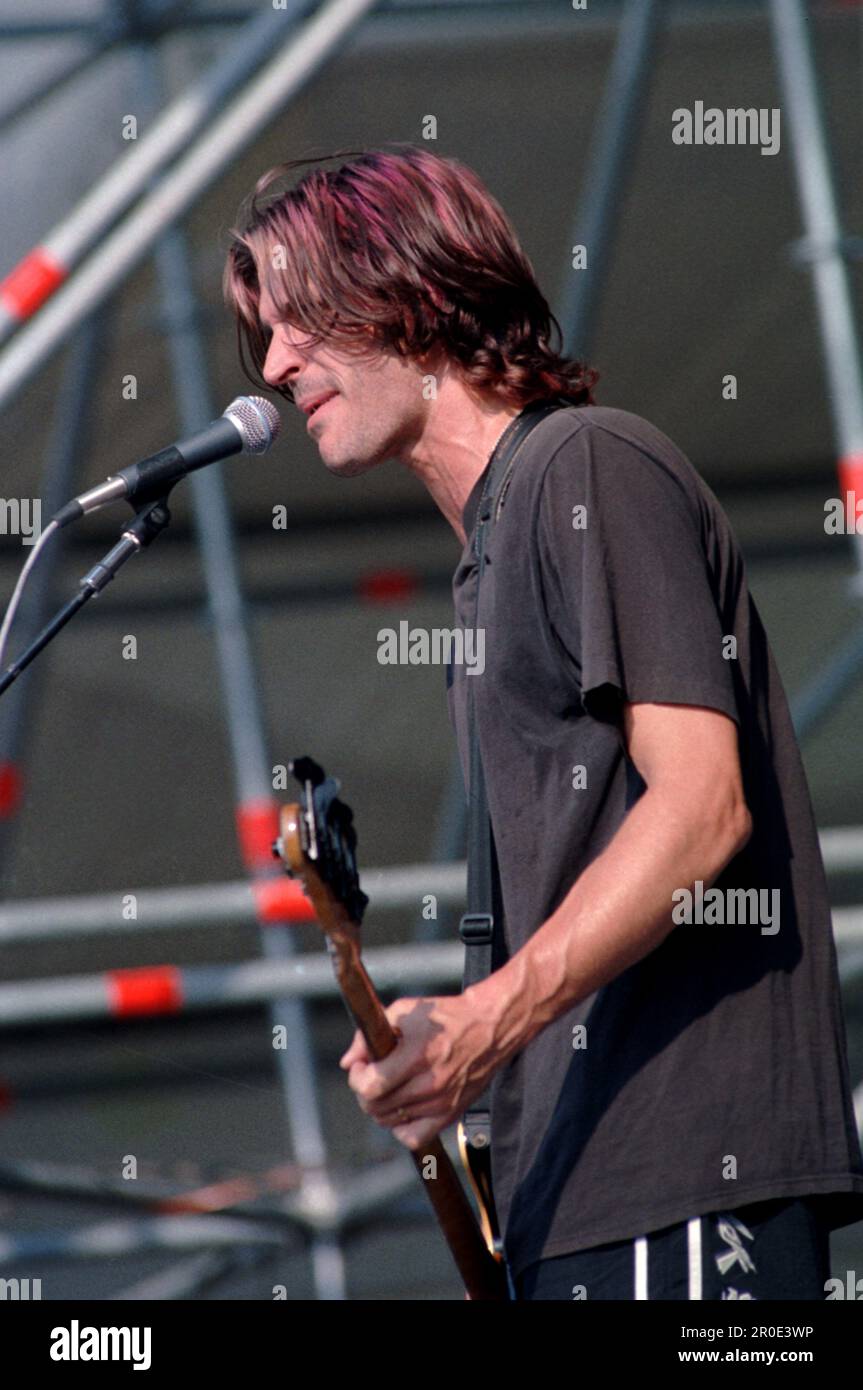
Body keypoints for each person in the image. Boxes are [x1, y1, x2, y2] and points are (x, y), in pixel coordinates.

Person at [223, 144, 863, 1300]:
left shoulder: (587, 463)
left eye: (297, 317)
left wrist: (483, 1019)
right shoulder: (492, 554)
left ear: (408, 286)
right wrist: (447, 1039)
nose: (272, 364)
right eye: (258, 333)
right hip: (572, 1193)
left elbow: (701, 801)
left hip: (681, 1186)